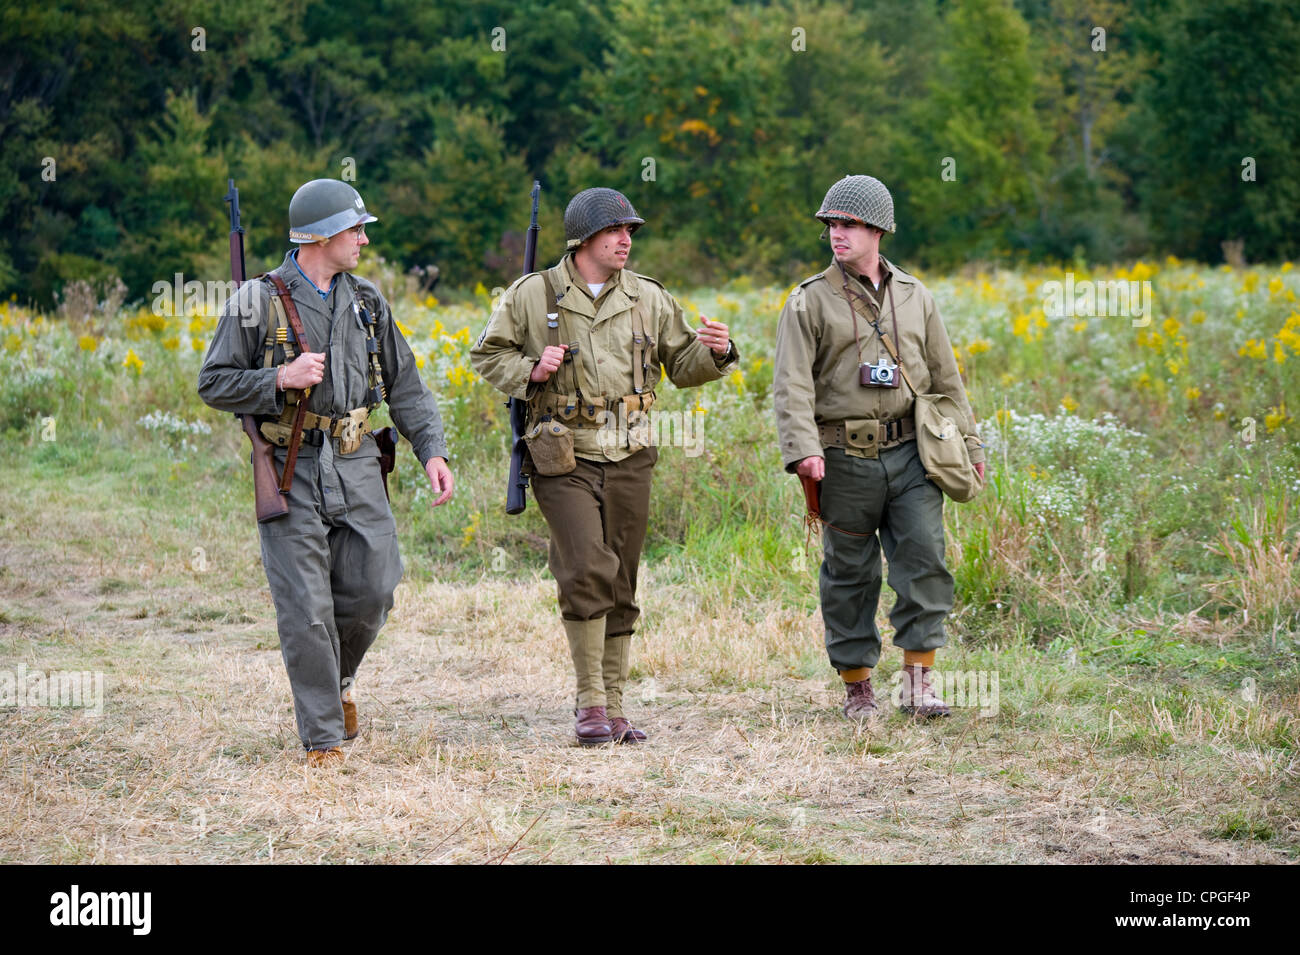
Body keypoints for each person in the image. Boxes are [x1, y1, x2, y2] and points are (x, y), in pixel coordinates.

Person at [199, 179, 454, 766]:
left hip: (358, 459)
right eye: (355, 229)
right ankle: (323, 738)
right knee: (306, 608)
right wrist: (277, 381)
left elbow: (406, 383)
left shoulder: (366, 300)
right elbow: (213, 382)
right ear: (319, 236)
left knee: (375, 587)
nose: (364, 239)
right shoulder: (255, 301)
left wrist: (432, 452)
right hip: (292, 466)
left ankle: (336, 684)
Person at [470, 187, 737, 746]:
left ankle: (615, 707)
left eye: (630, 232)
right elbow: (486, 355)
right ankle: (590, 705)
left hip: (631, 452)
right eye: (615, 231)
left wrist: (715, 352)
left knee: (622, 576)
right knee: (588, 566)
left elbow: (682, 364)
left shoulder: (647, 297)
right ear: (582, 239)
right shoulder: (532, 294)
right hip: (562, 453)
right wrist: (531, 370)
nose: (625, 241)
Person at [773, 175, 985, 721]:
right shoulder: (808, 302)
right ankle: (858, 687)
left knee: (924, 560)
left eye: (847, 225)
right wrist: (803, 451)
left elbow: (946, 377)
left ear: (877, 230)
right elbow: (791, 383)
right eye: (831, 226)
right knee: (850, 574)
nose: (836, 235)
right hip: (842, 457)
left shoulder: (916, 296)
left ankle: (918, 682)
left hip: (913, 452)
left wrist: (970, 441)